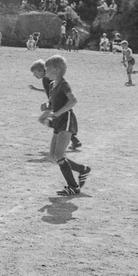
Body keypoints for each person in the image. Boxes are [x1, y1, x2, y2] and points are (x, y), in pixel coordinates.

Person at [36, 55, 92, 196]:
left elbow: (73, 101)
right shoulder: (52, 85)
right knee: (53, 155)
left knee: (59, 154)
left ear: (56, 69)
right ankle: (82, 169)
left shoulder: (63, 84)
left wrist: (57, 112)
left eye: (47, 69)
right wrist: (47, 107)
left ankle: (73, 187)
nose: (45, 72)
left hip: (66, 120)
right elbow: (53, 102)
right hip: (58, 121)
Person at [30, 59, 82, 150]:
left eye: (36, 73)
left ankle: (72, 138)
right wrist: (36, 90)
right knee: (50, 122)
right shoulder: (48, 79)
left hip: (55, 105)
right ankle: (73, 139)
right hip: (54, 103)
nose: (35, 75)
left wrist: (49, 104)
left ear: (43, 70)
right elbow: (51, 91)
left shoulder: (47, 79)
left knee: (43, 119)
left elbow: (55, 91)